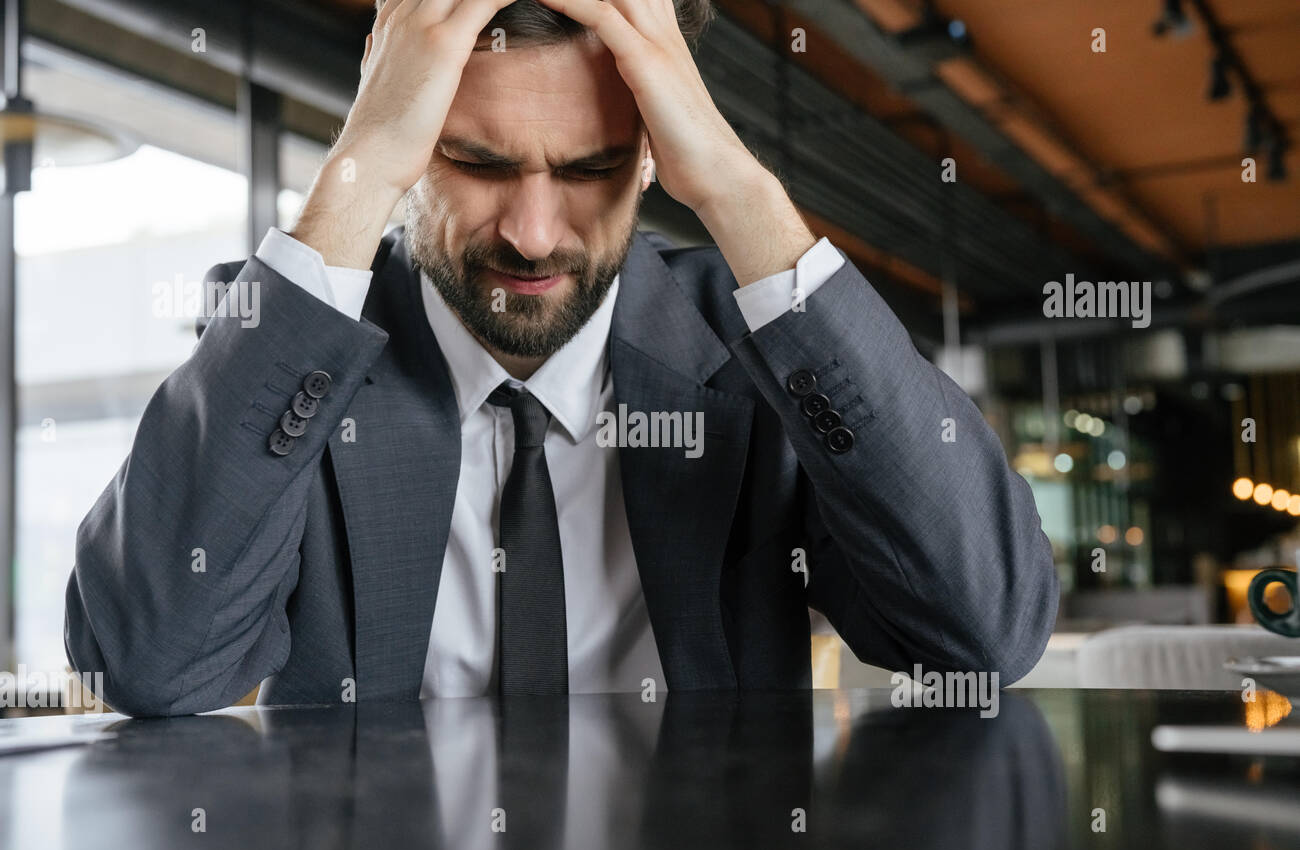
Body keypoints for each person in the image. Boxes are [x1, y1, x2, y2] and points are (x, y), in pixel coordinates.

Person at [64, 0, 1058, 717]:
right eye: (477, 161)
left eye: (590, 169)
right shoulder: (293, 348)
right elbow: (149, 662)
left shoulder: (752, 354)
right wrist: (357, 164)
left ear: (657, 151)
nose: (534, 235)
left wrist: (742, 195)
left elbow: (984, 633)